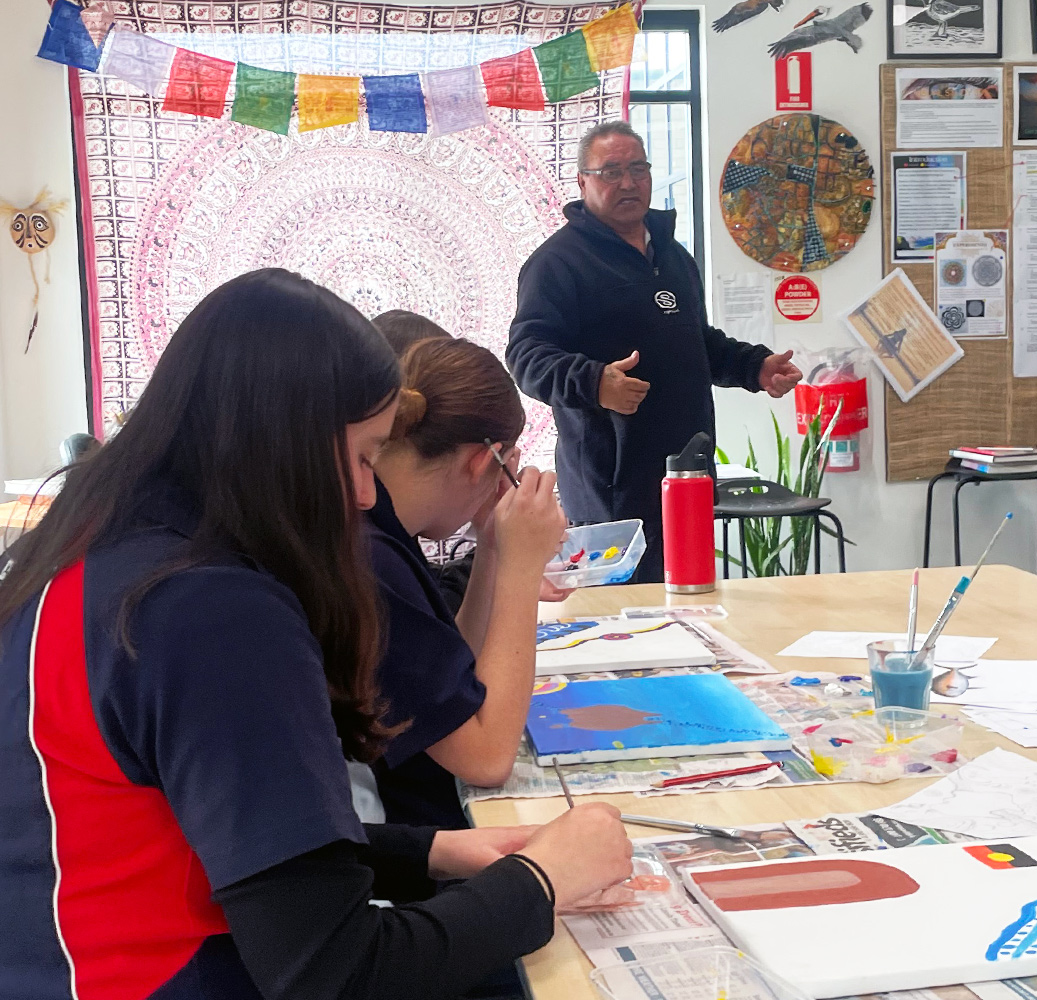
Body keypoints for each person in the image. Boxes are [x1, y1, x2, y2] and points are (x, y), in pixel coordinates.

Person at [0, 269, 632, 1000]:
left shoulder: (92, 548)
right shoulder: (212, 613)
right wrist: (543, 881)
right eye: (363, 457)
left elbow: (230, 834)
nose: (368, 495)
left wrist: (430, 850)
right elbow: (333, 972)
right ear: (281, 442)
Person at [507, 120, 803, 583]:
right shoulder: (557, 263)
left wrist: (754, 368)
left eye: (637, 168)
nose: (627, 182)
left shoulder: (673, 256)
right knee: (622, 623)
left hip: (687, 474)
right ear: (583, 181)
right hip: (611, 487)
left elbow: (694, 342)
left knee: (689, 602)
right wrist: (594, 382)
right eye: (610, 171)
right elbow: (526, 355)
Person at [365, 332, 567, 828]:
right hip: (412, 840)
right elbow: (487, 759)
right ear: (484, 460)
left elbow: (460, 667)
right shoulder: (371, 558)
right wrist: (523, 568)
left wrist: (494, 546)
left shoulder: (388, 528)